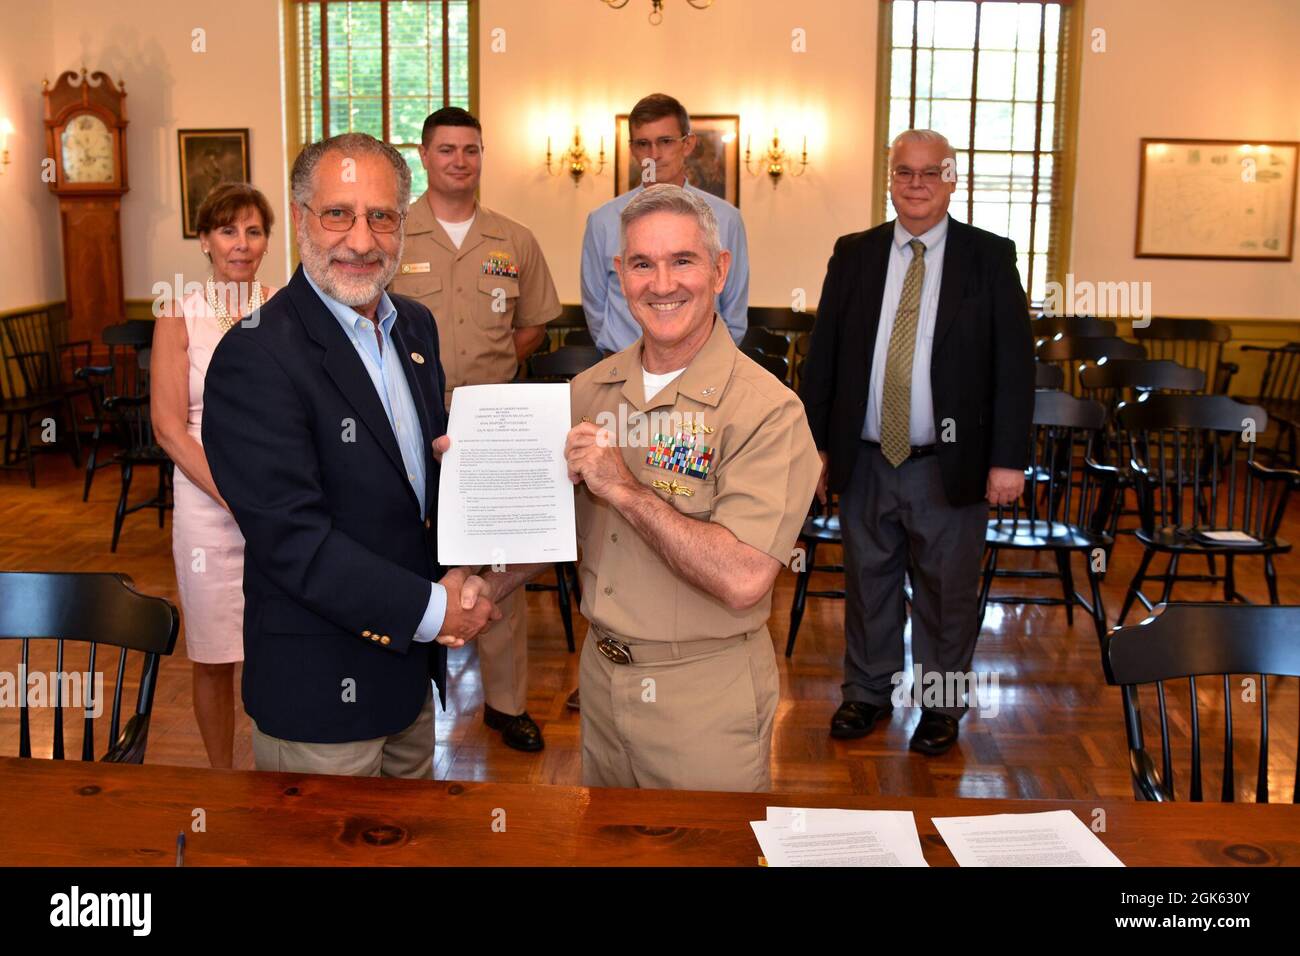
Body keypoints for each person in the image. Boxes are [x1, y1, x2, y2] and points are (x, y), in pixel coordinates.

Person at [476, 185, 819, 791]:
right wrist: (480, 577)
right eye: (642, 264)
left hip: (704, 696)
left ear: (719, 270)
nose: (662, 284)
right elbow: (552, 527)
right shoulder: (588, 391)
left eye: (682, 260)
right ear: (620, 275)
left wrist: (625, 489)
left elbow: (743, 578)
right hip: (601, 685)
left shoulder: (768, 410)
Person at [202, 133, 499, 777]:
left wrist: (482, 495)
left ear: (404, 224)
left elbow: (420, 482)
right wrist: (435, 611)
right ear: (303, 216)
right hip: (320, 697)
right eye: (338, 213)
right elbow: (294, 541)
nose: (361, 241)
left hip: (410, 685)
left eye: (382, 216)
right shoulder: (255, 354)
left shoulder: (414, 326)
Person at [801, 129, 1034, 756]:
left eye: (932, 173)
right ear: (890, 178)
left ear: (953, 180)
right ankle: (867, 693)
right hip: (867, 457)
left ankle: (939, 704)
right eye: (905, 172)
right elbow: (823, 358)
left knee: (945, 591)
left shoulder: (990, 257)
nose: (917, 184)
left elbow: (1014, 366)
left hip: (948, 464)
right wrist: (819, 446)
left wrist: (1008, 459)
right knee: (868, 583)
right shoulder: (854, 254)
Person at [388, 107, 560, 753]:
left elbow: (533, 326)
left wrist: (489, 377)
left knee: (497, 565)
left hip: (491, 424)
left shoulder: (512, 240)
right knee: (404, 555)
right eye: (446, 150)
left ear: (482, 157)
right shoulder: (396, 234)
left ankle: (505, 704)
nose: (459, 161)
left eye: (471, 150)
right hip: (409, 418)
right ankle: (406, 697)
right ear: (424, 157)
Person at [152, 182, 277, 769]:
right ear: (204, 240)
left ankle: (280, 769)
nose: (242, 244)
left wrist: (271, 495)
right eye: (228, 230)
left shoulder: (288, 310)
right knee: (213, 653)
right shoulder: (178, 314)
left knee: (279, 645)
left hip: (281, 503)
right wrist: (233, 495)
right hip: (208, 506)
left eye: (254, 231)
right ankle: (222, 780)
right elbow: (170, 428)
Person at [580, 93, 749, 355]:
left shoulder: (726, 219)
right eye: (643, 144)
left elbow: (734, 310)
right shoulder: (602, 221)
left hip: (702, 366)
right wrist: (623, 356)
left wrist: (709, 362)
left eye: (666, 141)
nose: (654, 154)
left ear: (688, 144)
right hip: (622, 365)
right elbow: (594, 305)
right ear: (632, 148)